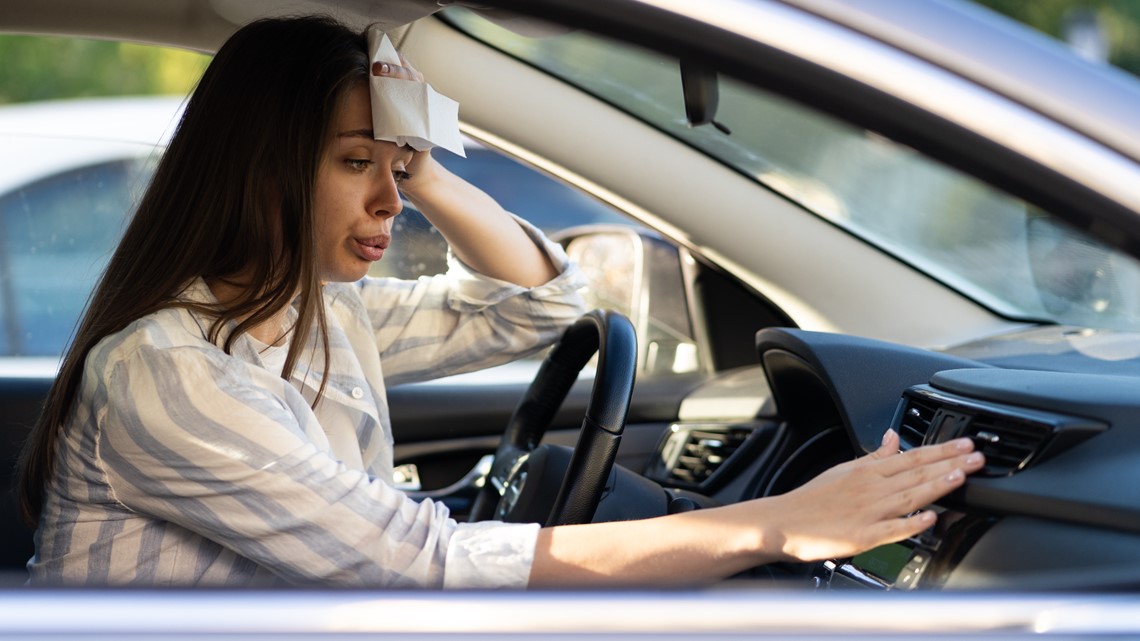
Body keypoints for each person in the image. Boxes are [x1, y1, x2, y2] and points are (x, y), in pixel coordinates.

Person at [17, 15, 985, 588]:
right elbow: (419, 563)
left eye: (395, 167)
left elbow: (539, 304)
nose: (390, 201)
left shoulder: (314, 314)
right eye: (358, 163)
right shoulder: (169, 371)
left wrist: (422, 160)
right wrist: (779, 524)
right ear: (263, 173)